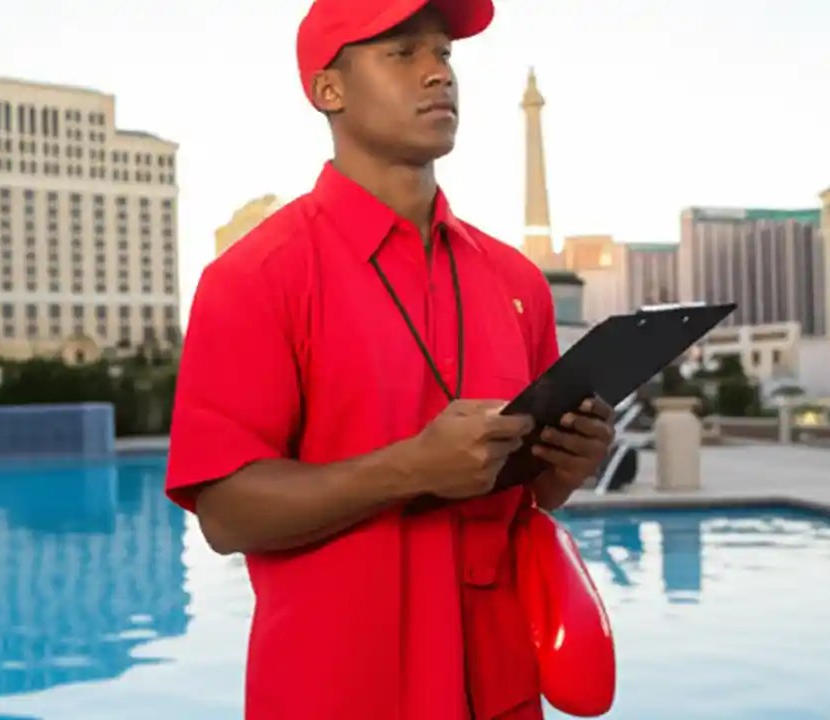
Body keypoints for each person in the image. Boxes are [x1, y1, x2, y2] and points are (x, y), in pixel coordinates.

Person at [164, 1, 617, 719]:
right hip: (337, 693)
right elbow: (225, 515)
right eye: (402, 54)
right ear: (328, 90)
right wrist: (410, 469)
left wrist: (568, 461)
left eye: (444, 53)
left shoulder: (515, 282)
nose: (438, 73)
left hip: (501, 693)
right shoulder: (255, 278)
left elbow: (529, 500)